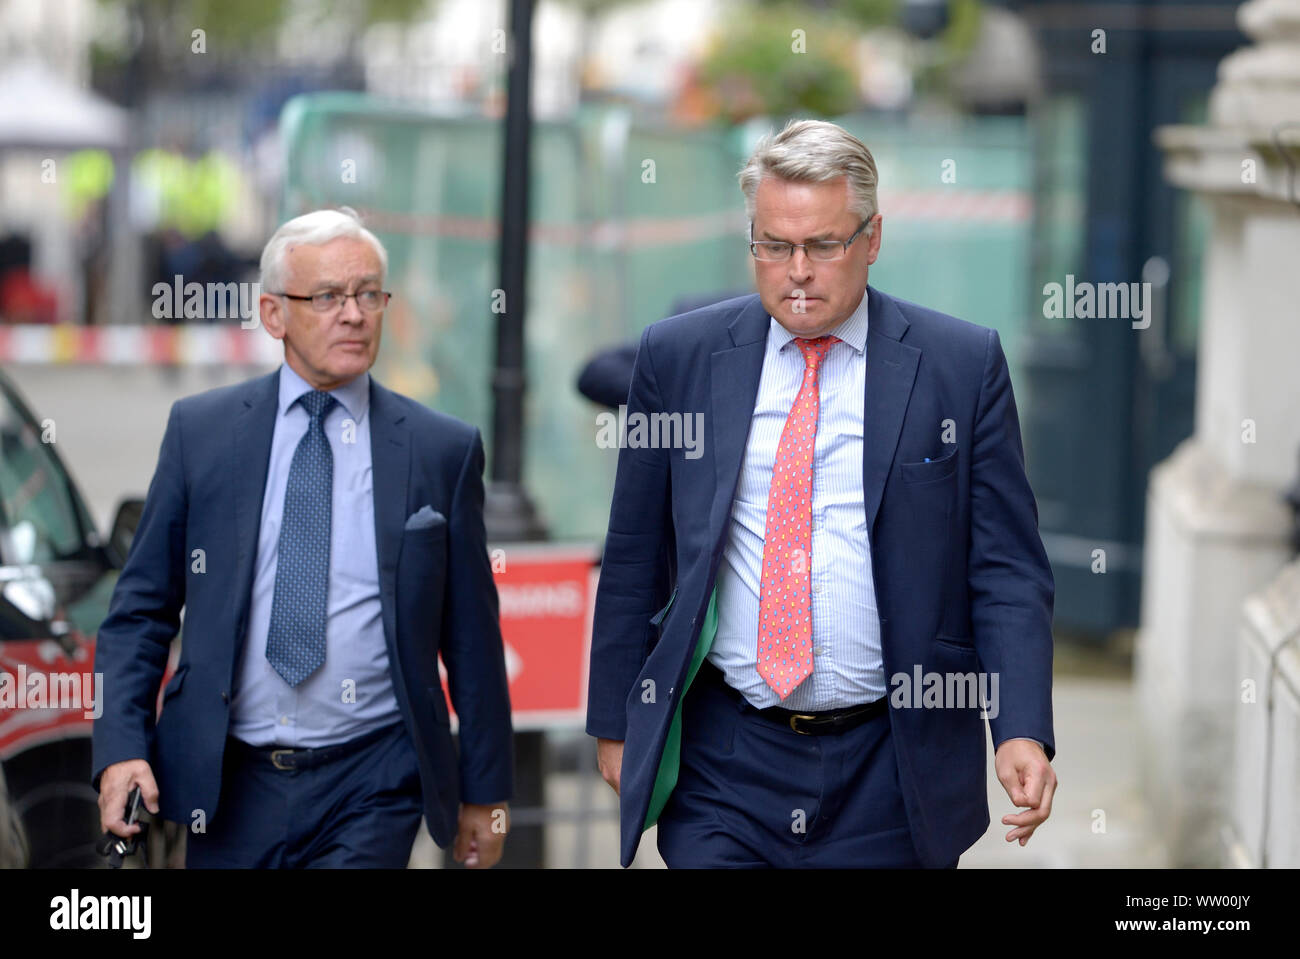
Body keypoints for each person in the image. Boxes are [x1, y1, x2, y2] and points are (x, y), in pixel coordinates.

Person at [587, 119, 1057, 868]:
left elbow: (1005, 568)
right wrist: (615, 718)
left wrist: (1022, 726)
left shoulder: (961, 366)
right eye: (774, 245)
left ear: (871, 239)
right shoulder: (678, 357)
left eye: (822, 244)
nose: (796, 269)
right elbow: (636, 548)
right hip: (725, 756)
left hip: (890, 761)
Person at [93, 208, 514, 868]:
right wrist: (121, 747)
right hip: (229, 783)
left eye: (368, 293)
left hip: (373, 777)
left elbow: (472, 636)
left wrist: (486, 794)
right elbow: (139, 611)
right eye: (327, 297)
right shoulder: (202, 435)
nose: (353, 313)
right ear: (272, 314)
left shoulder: (439, 450)